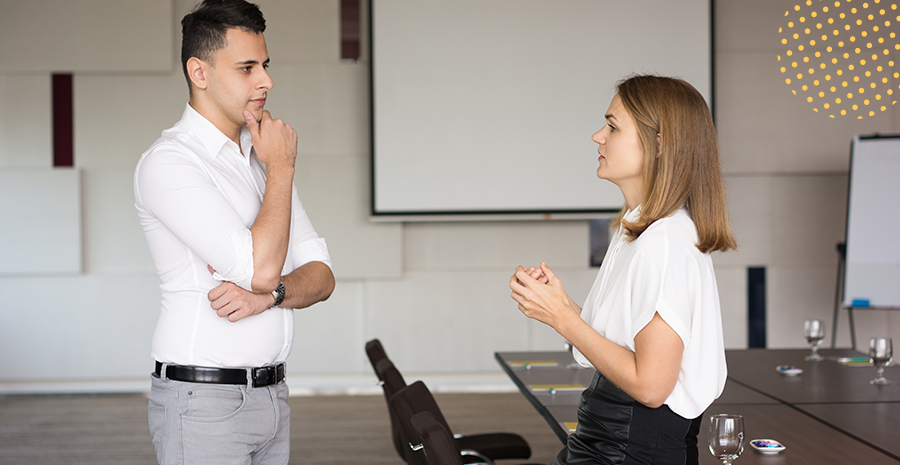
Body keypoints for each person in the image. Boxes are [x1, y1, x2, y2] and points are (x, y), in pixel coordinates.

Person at [133, 1, 335, 464]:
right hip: (203, 403)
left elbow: (322, 276)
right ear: (199, 72)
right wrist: (282, 167)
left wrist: (271, 297)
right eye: (247, 67)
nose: (265, 80)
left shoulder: (258, 158)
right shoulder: (170, 163)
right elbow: (262, 269)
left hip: (271, 397)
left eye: (265, 65)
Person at [509, 74, 736, 465]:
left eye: (612, 127)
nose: (598, 136)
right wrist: (562, 307)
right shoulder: (640, 229)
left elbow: (651, 386)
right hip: (607, 441)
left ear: (659, 144)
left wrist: (563, 319)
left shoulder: (664, 241)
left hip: (631, 450)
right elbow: (629, 349)